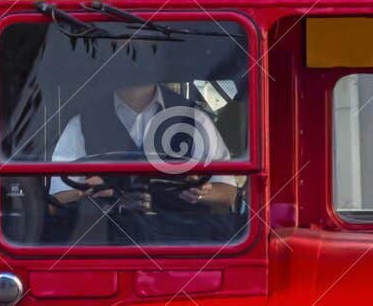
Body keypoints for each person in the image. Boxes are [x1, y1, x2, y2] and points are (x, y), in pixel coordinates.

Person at [50, 79, 239, 211]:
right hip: (109, 244)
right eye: (128, 50)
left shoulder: (195, 119)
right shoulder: (83, 122)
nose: (137, 60)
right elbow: (58, 199)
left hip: (181, 244)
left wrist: (200, 193)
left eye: (148, 50)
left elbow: (228, 193)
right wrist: (93, 194)